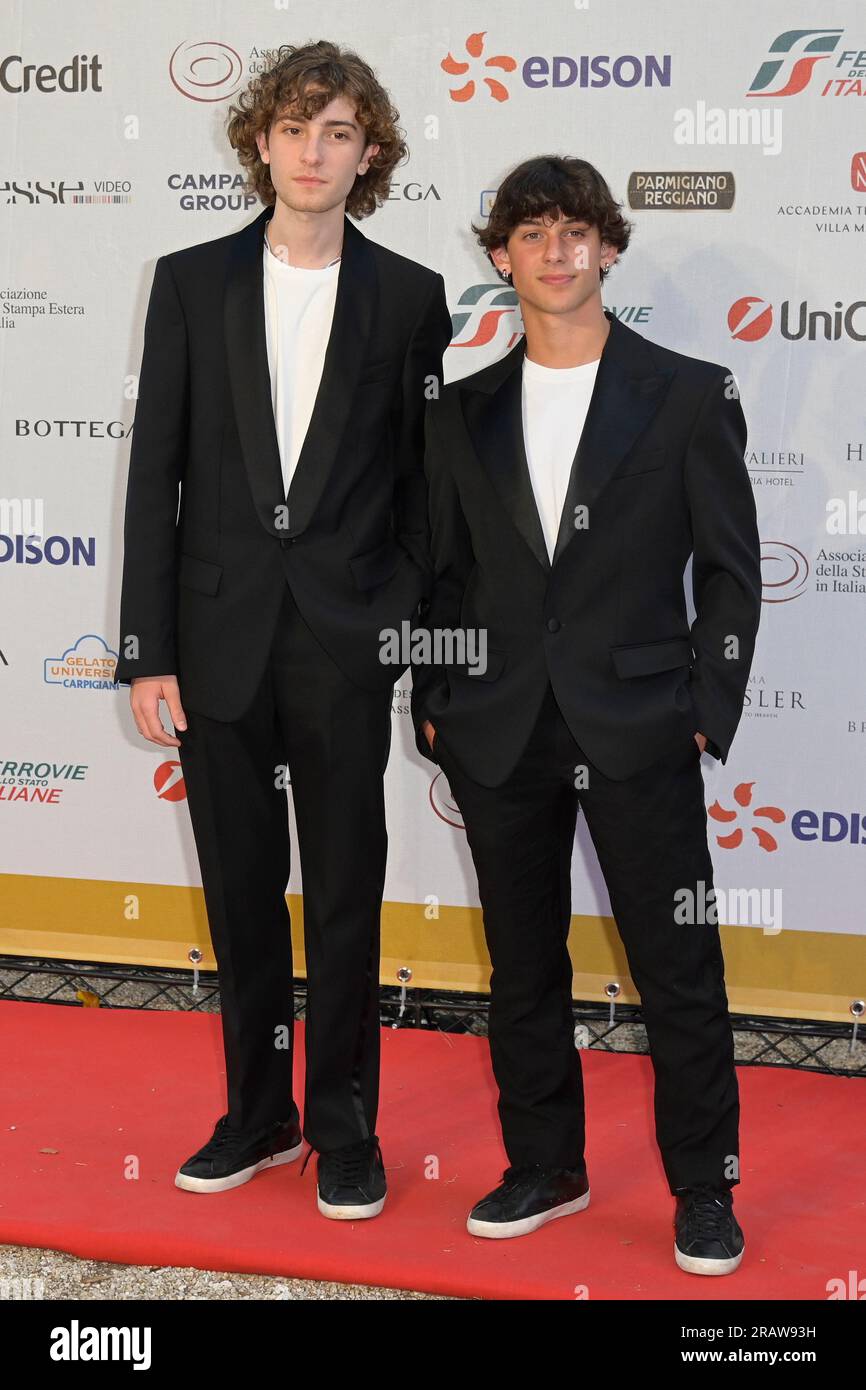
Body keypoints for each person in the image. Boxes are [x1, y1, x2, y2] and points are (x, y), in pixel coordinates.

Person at [115, 41, 451, 1221]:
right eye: (298, 127)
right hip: (213, 639)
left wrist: (394, 613)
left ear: (370, 155)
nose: (316, 151)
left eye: (341, 132)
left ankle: (343, 1127)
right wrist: (145, 649)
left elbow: (424, 487)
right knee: (242, 888)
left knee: (348, 887)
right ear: (260, 140)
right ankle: (255, 1116)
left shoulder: (408, 295)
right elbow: (154, 469)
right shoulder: (190, 280)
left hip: (343, 641)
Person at [411, 155, 761, 1274]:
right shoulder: (458, 413)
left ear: (607, 247)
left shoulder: (686, 390)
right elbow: (439, 575)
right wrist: (434, 699)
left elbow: (731, 569)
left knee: (676, 966)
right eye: (530, 233)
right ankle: (544, 1166)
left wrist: (707, 705)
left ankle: (703, 1187)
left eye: (574, 232)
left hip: (642, 722)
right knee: (522, 965)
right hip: (498, 726)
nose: (554, 252)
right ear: (500, 256)